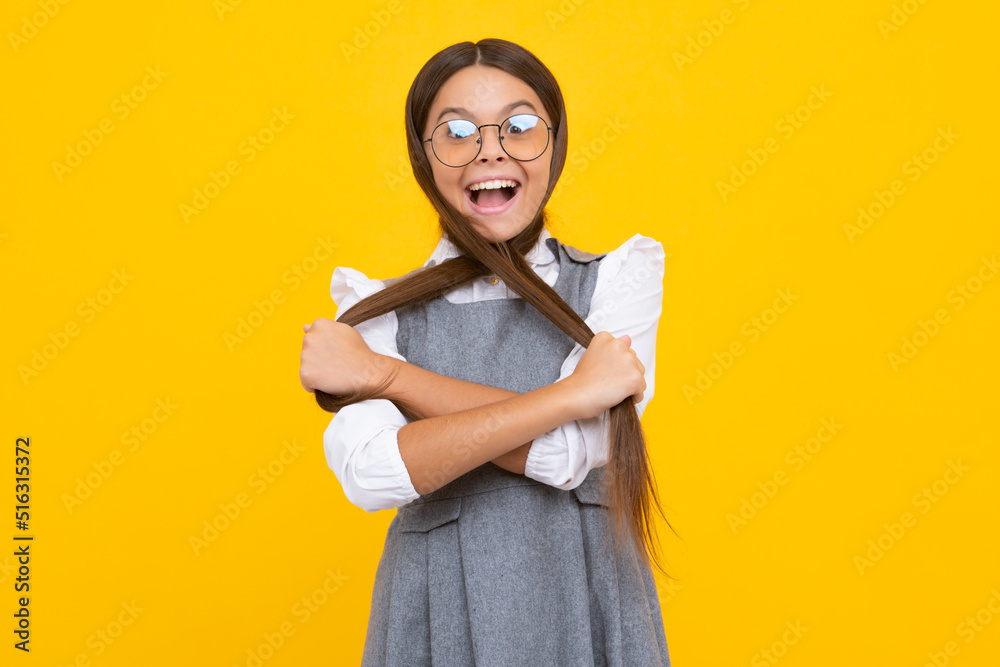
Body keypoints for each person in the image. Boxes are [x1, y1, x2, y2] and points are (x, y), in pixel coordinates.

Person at [300, 38, 673, 665]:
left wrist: (386, 377)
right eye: (457, 132)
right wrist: (573, 394)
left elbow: (564, 455)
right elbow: (373, 473)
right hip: (434, 605)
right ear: (424, 157)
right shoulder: (370, 307)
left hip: (586, 596)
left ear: (553, 144)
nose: (491, 149)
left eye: (520, 126)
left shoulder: (619, 280)